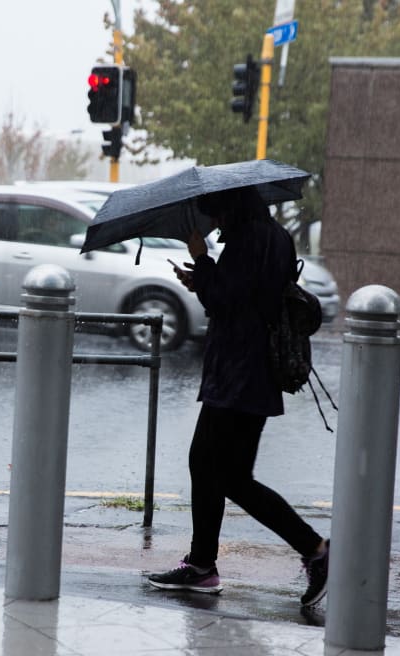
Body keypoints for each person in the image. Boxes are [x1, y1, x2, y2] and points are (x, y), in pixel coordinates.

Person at [147, 186, 330, 607]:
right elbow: (245, 295)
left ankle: (314, 551)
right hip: (254, 371)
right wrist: (204, 279)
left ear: (231, 208)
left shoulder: (248, 239)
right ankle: (202, 565)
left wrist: (201, 259)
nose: (213, 224)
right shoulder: (275, 236)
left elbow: (225, 300)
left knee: (223, 473)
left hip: (238, 372)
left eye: (215, 215)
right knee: (221, 470)